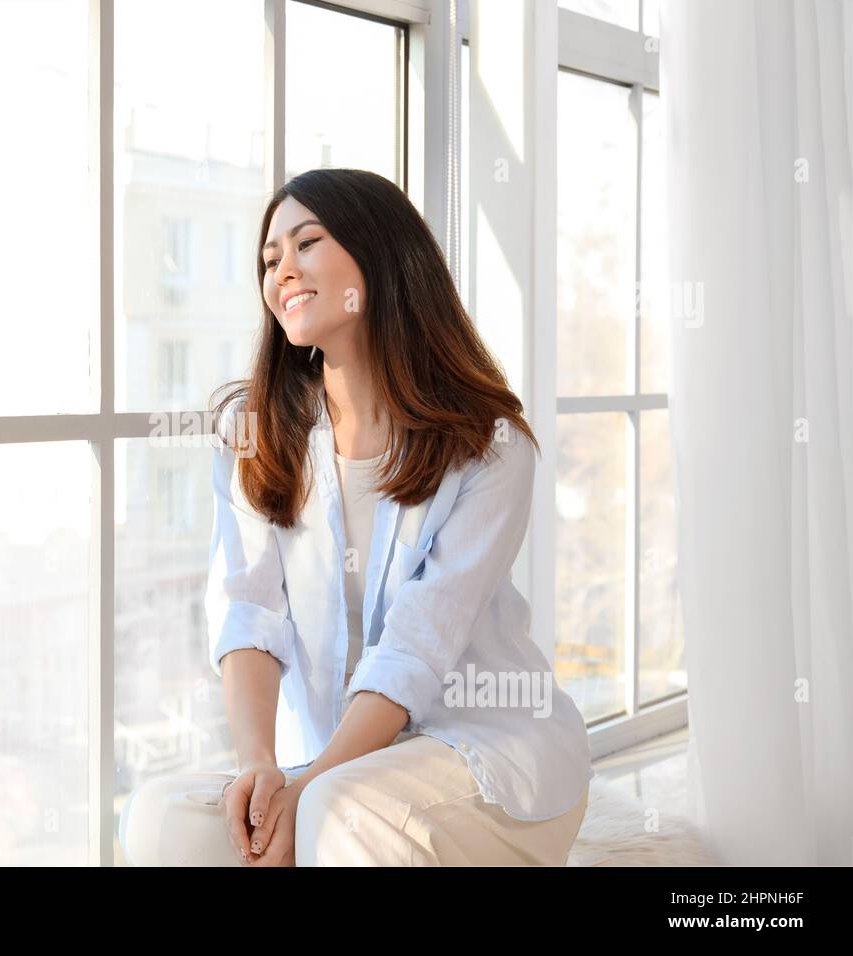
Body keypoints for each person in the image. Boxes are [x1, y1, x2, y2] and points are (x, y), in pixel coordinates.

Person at [119, 168, 593, 867]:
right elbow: (248, 612)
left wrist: (313, 787)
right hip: (336, 760)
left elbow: (416, 649)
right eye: (269, 258)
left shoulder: (487, 447)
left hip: (485, 751)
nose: (282, 269)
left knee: (342, 819)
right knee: (165, 821)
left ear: (380, 256)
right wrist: (263, 768)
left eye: (307, 243)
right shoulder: (256, 433)